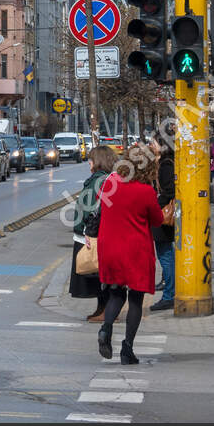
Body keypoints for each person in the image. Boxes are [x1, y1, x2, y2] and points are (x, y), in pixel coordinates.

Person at [96, 143, 165, 365]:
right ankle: (127, 349)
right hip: (135, 250)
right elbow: (157, 220)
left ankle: (106, 329)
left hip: (110, 248)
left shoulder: (110, 185)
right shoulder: (146, 192)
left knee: (116, 293)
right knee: (136, 298)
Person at [66, 145, 117, 322]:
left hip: (91, 234)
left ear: (98, 162)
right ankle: (102, 309)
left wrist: (86, 229)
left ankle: (106, 310)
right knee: (98, 274)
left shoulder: (98, 181)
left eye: (91, 160)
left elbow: (92, 210)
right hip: (98, 233)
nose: (89, 163)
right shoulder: (108, 179)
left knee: (97, 274)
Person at [149, 134, 176, 312]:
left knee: (166, 256)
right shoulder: (165, 162)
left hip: (163, 216)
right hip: (163, 215)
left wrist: (155, 207)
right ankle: (170, 291)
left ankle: (169, 295)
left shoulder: (166, 165)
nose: (151, 145)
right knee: (167, 255)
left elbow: (168, 191)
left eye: (154, 142)